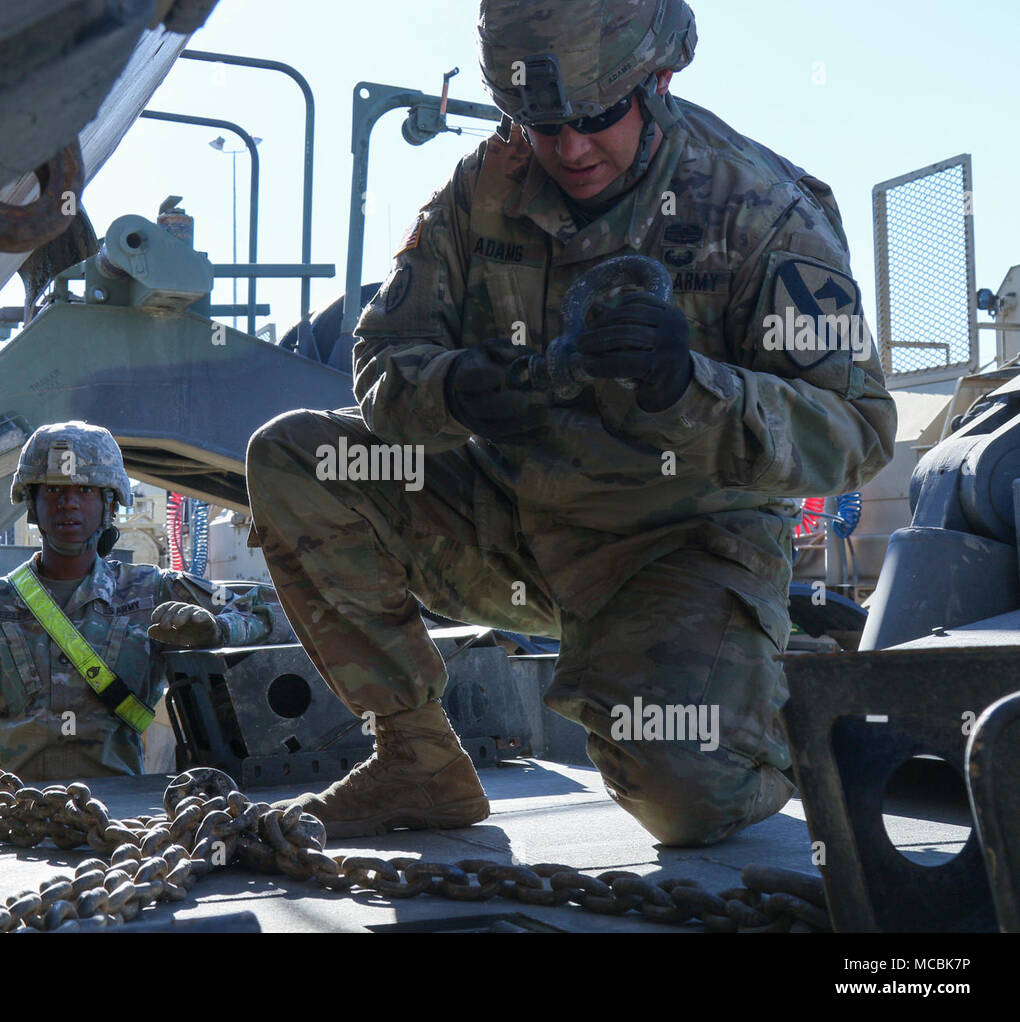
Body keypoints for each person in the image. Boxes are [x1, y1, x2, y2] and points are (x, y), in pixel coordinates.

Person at [244, 0, 896, 846]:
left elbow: (858, 430)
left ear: (655, 83)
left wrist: (688, 388)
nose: (570, 148)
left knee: (685, 799)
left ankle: (767, 696)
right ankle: (415, 762)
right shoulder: (482, 189)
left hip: (675, 552)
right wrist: (455, 390)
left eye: (594, 118)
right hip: (503, 525)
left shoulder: (763, 212)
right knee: (298, 459)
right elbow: (383, 359)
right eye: (540, 123)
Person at [0, 421, 290, 782]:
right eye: (54, 489)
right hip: (13, 816)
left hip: (119, 816)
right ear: (33, 505)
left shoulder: (150, 591)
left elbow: (279, 608)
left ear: (109, 504)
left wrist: (219, 629)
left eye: (85, 489)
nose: (68, 502)